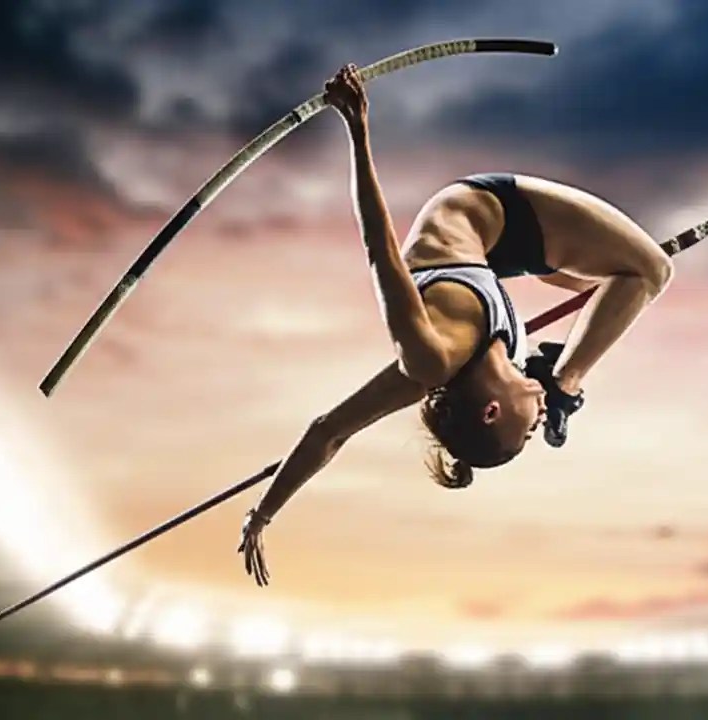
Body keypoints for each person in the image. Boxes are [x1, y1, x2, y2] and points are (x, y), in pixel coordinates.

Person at [238, 64, 672, 586]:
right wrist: (264, 515)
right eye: (539, 423)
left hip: (484, 210)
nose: (537, 424)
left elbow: (379, 254)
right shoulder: (493, 364)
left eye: (528, 428)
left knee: (651, 270)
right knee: (616, 291)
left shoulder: (427, 359)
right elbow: (330, 432)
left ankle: (565, 382)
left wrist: (357, 128)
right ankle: (570, 363)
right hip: (500, 259)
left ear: (491, 411)